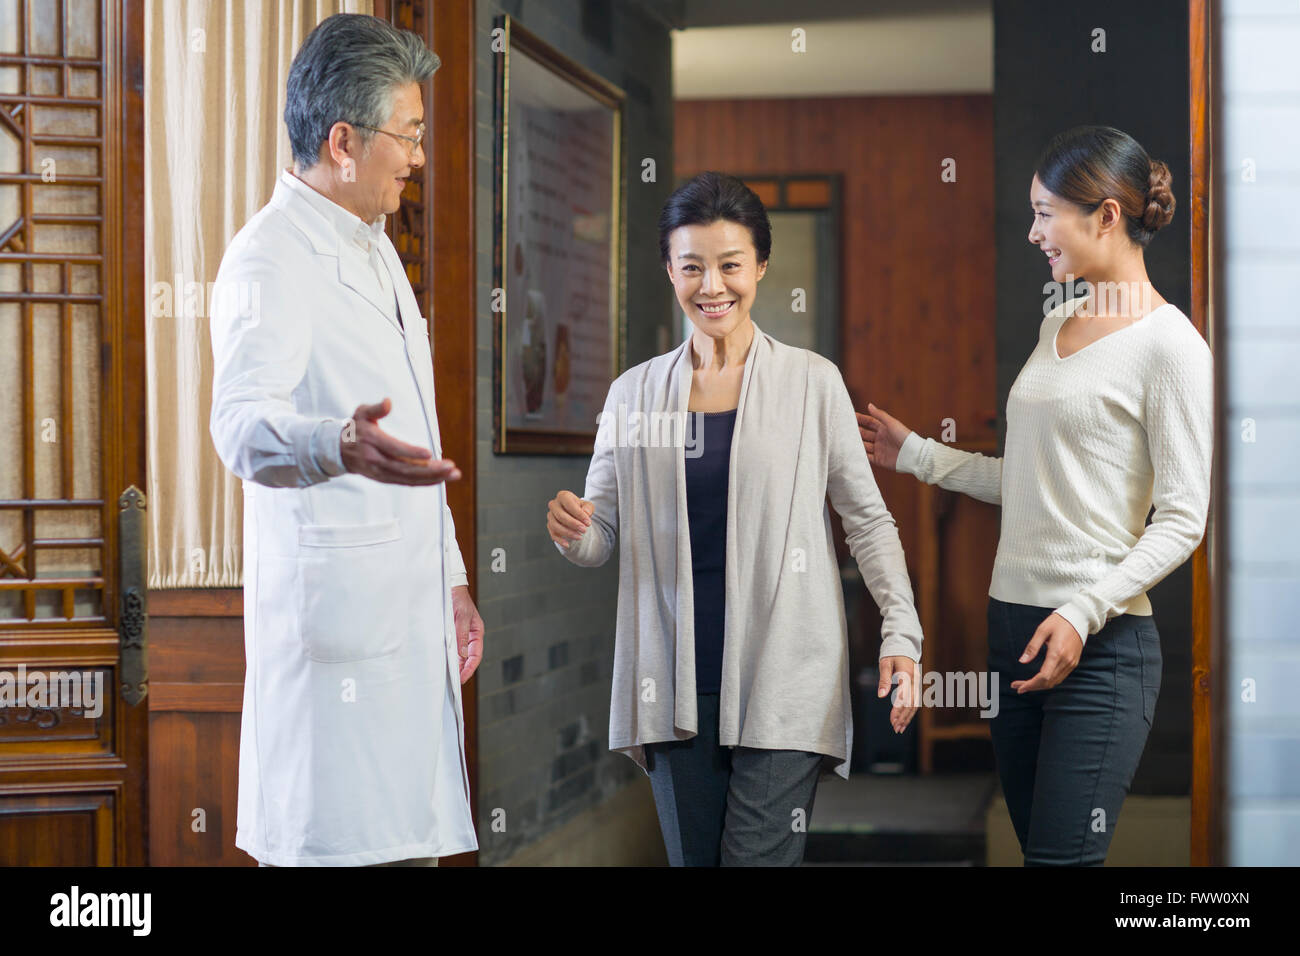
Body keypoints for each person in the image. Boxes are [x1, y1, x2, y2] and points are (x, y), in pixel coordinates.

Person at [547, 172, 925, 866]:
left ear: (760, 268)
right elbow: (602, 536)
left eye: (730, 265)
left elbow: (867, 520)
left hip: (787, 673)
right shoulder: (634, 394)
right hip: (672, 679)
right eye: (692, 266)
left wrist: (902, 630)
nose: (711, 286)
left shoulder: (812, 383)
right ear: (669, 270)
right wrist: (575, 530)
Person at [859, 126, 1213, 865]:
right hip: (1011, 630)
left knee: (1059, 861)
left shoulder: (1171, 346)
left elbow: (1183, 520)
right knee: (1036, 856)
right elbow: (1027, 481)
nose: (1032, 232)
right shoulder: (1058, 321)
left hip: (1100, 645)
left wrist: (1082, 614)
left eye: (1045, 212)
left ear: (1107, 216)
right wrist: (916, 455)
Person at [208, 13, 483, 867]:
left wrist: (453, 580)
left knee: (408, 847)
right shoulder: (270, 259)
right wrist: (334, 444)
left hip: (405, 632)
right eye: (407, 134)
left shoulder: (375, 249)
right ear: (342, 142)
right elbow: (239, 424)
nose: (418, 156)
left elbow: (419, 447)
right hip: (339, 654)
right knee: (347, 851)